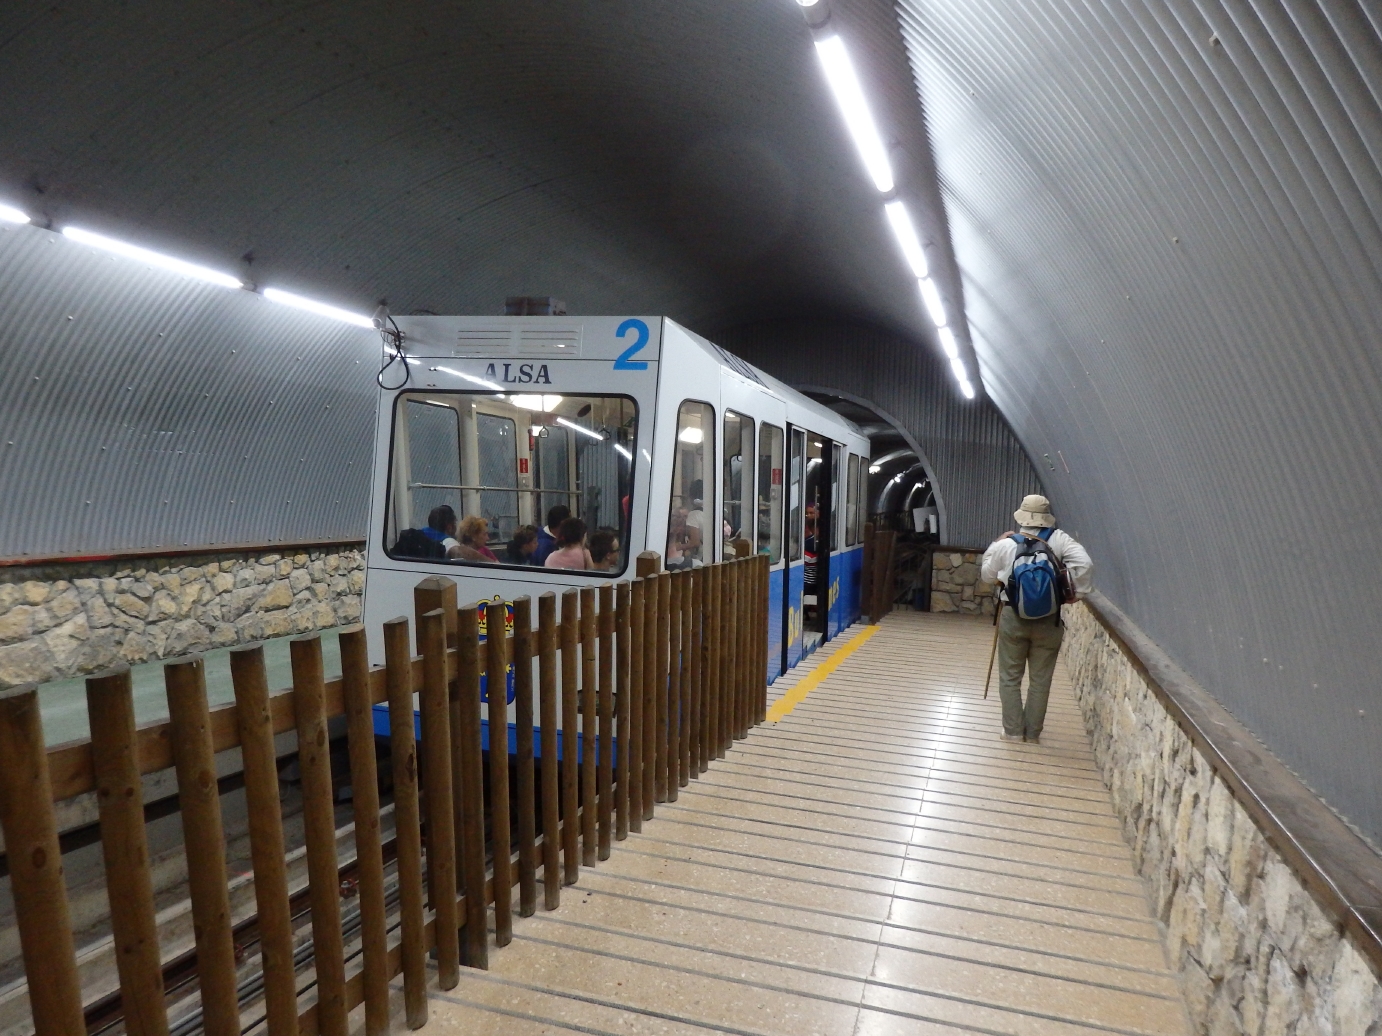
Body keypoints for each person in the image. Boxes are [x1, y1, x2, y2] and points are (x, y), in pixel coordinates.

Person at [980, 494, 1093, 745]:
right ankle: (1032, 735)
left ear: (1021, 516)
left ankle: (1012, 731)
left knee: (1010, 677)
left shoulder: (1007, 544)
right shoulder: (1060, 539)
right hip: (1049, 620)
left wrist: (995, 544)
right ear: (1046, 517)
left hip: (1012, 617)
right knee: (1040, 680)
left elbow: (987, 575)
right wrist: (1078, 593)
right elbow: (1085, 564)